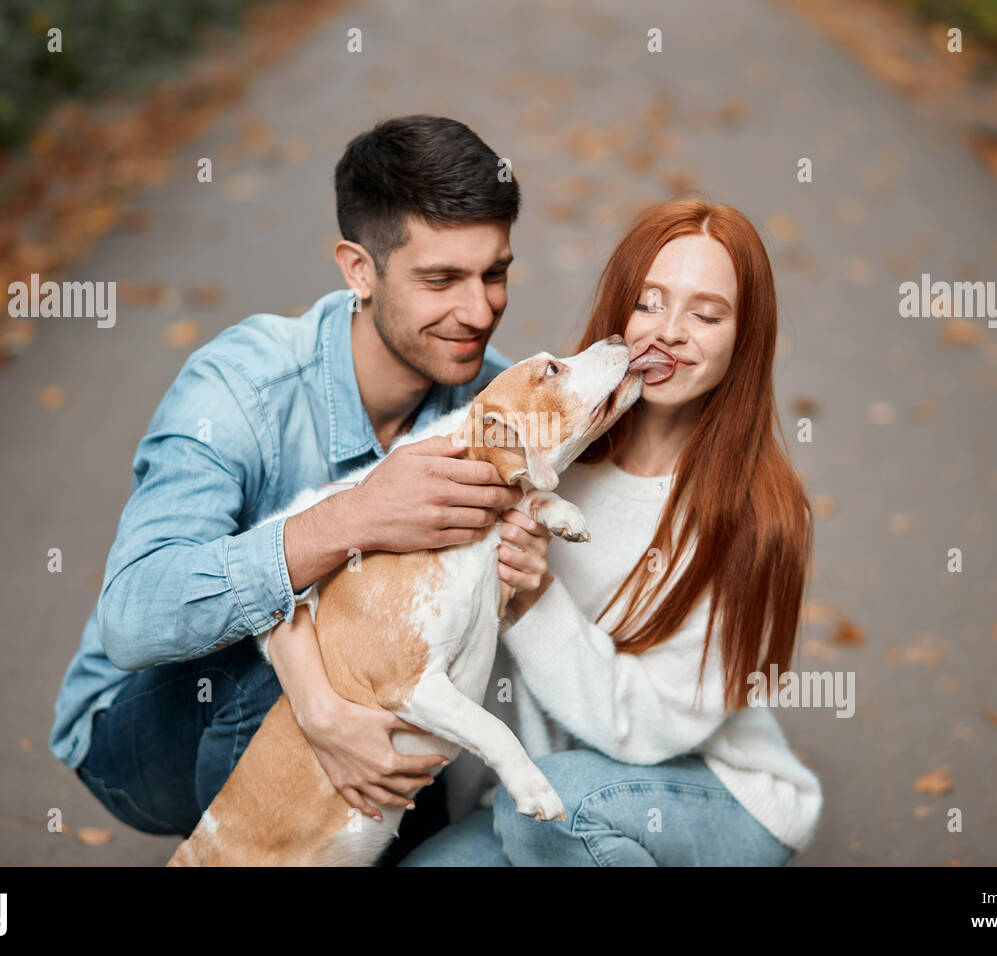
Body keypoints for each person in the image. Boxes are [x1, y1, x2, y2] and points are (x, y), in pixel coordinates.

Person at [48, 115, 549, 864]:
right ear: (359, 271)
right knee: (288, 659)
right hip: (144, 727)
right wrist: (353, 519)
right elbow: (132, 615)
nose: (479, 312)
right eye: (442, 280)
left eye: (495, 273)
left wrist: (527, 582)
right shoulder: (241, 389)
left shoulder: (494, 403)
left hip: (375, 699)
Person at [388, 197, 826, 865]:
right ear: (621, 312)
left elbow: (650, 729)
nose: (670, 332)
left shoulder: (756, 515)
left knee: (559, 809)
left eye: (707, 315)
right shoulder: (548, 460)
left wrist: (535, 600)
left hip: (708, 791)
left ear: (746, 338)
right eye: (650, 303)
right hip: (533, 795)